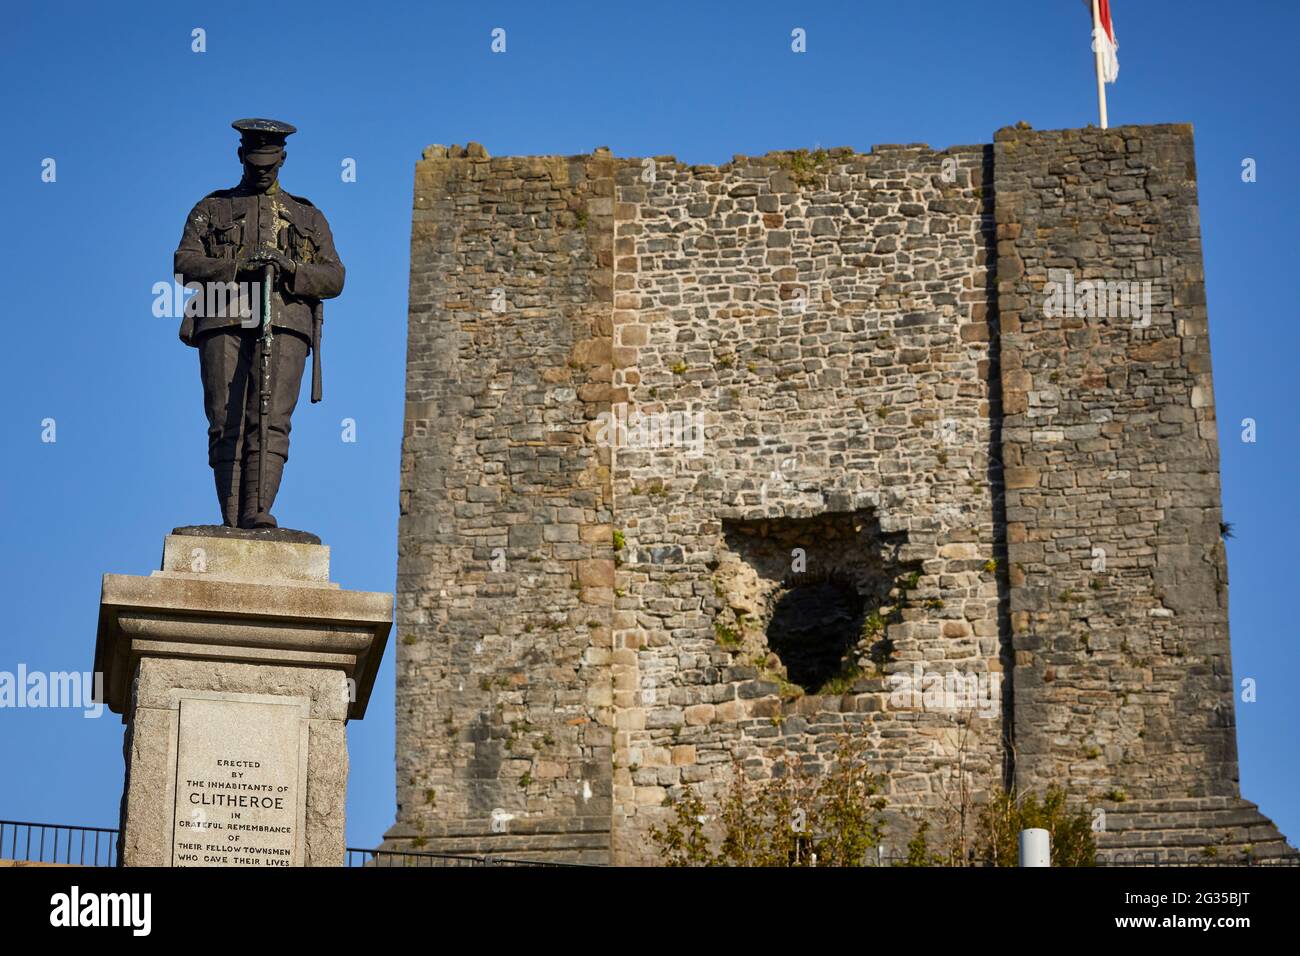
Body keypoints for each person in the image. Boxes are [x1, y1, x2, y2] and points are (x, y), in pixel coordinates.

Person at [173, 118, 344, 528]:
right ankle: (231, 518)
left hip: (285, 320)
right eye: (255, 162)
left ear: (282, 158)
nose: (261, 170)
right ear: (240, 157)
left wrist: (290, 270)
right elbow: (184, 264)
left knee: (271, 420)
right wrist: (236, 266)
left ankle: (257, 512)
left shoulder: (308, 215)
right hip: (223, 316)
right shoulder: (210, 209)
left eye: (269, 163)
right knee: (223, 419)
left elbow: (335, 277)